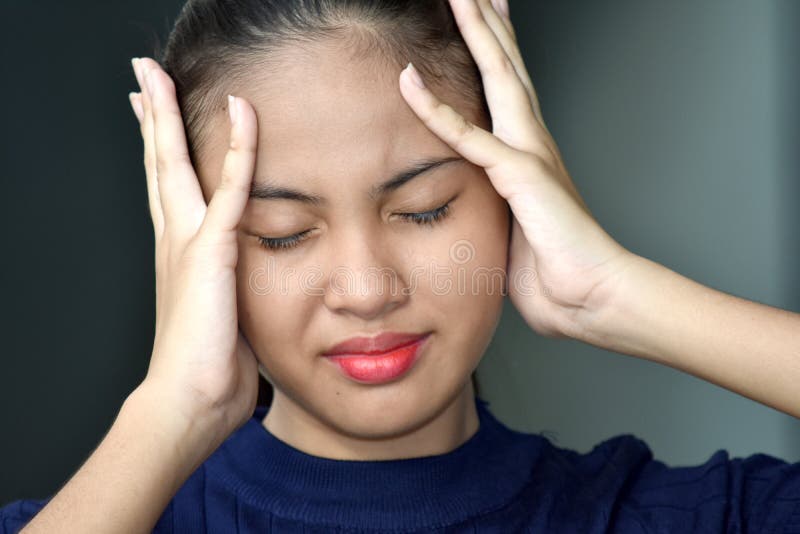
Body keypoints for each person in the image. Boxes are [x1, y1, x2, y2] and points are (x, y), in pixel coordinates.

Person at [3, 0, 799, 532]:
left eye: (422, 210)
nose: (367, 289)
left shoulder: (675, 516)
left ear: (513, 197)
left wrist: (616, 296)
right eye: (281, 232)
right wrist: (171, 412)